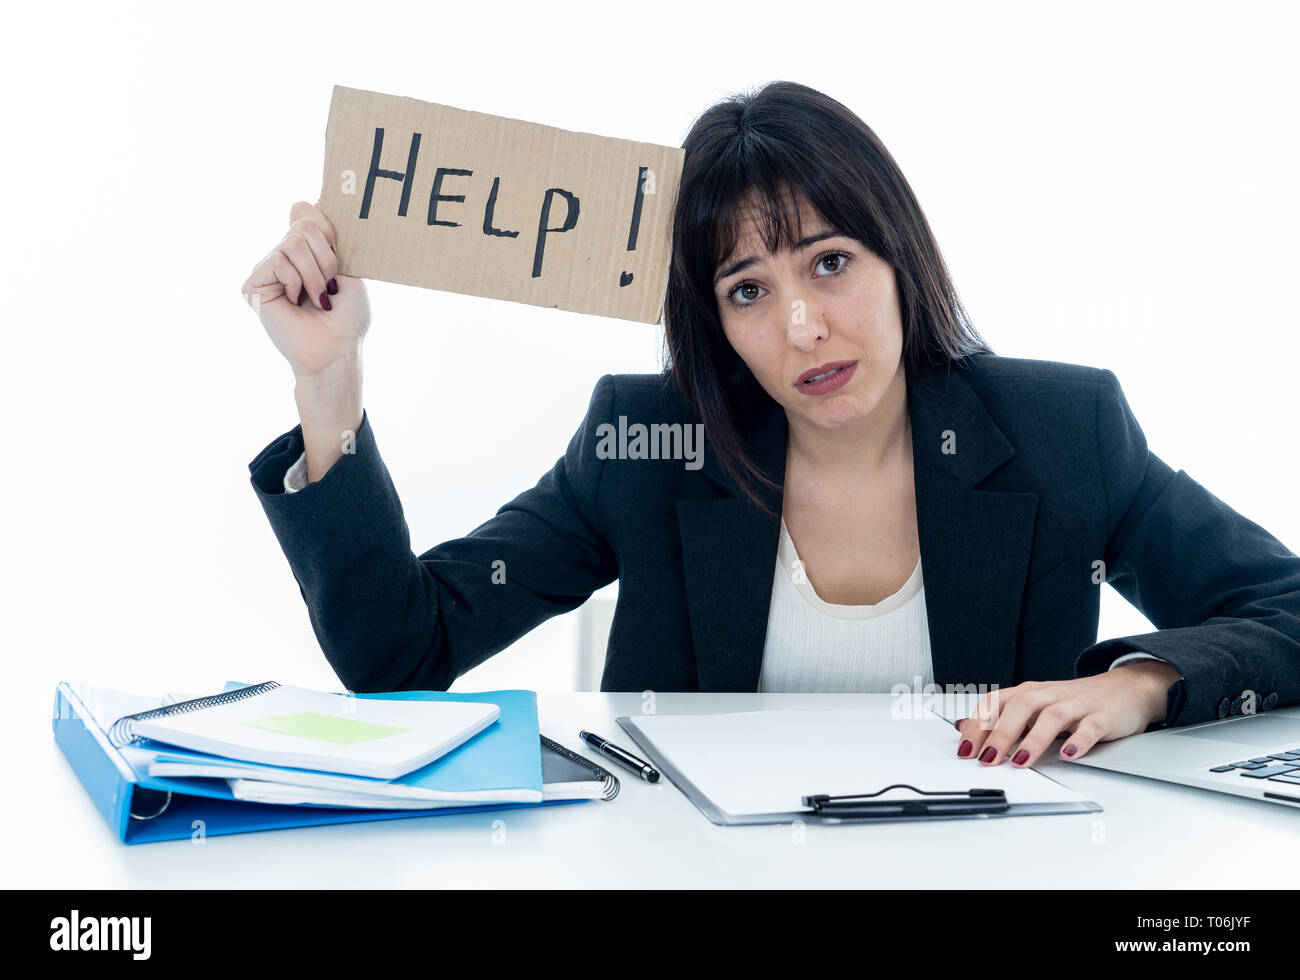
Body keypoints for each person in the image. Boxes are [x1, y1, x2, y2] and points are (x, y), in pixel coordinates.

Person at [239, 80, 1300, 773]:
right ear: (714, 319)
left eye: (830, 262)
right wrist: (329, 384)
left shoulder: (1064, 429)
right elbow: (399, 648)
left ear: (900, 260)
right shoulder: (645, 444)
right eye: (747, 290)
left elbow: (1286, 606)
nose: (801, 326)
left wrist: (1136, 684)